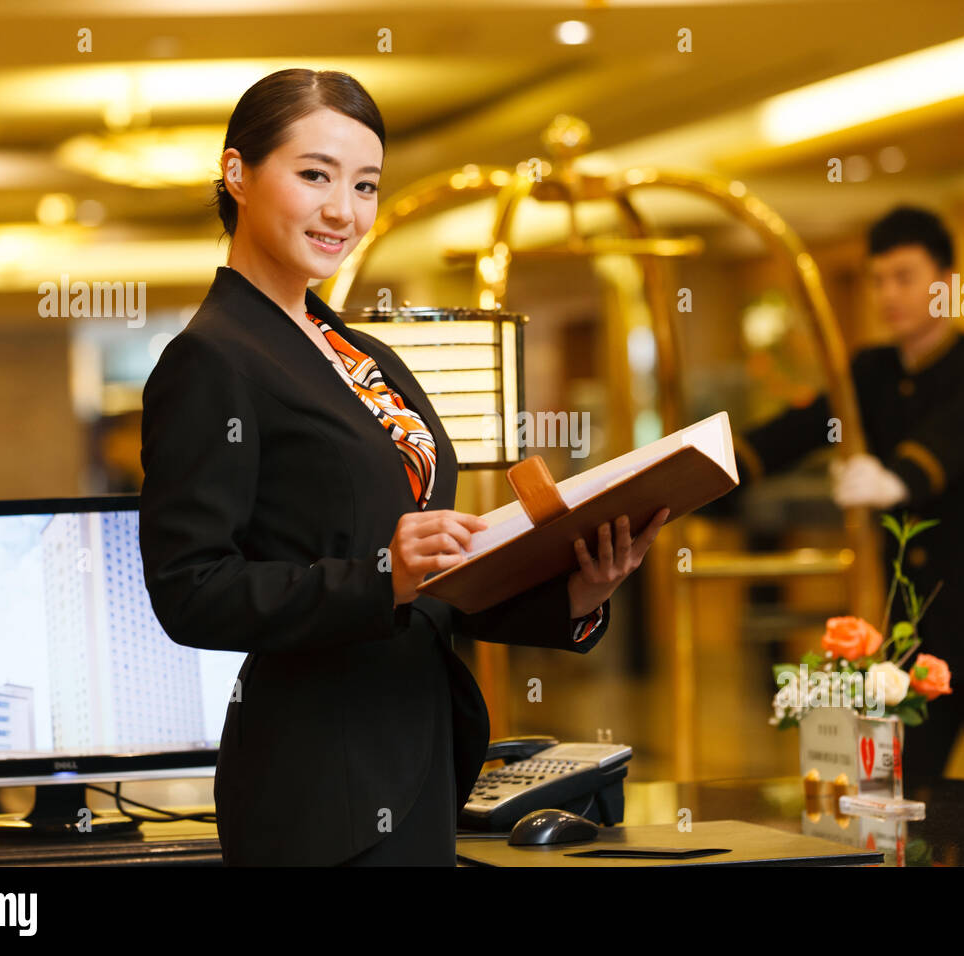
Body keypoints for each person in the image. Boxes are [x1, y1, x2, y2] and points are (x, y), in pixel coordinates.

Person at [138, 69, 667, 866]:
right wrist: (380, 575)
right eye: (313, 175)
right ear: (237, 173)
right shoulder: (210, 360)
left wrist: (575, 592)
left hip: (416, 756)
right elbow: (191, 588)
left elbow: (432, 584)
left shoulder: (363, 353)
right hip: (316, 778)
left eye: (364, 185)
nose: (342, 211)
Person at [739, 205, 964, 785]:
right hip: (914, 643)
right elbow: (794, 431)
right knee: (897, 810)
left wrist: (897, 479)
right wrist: (700, 472)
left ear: (946, 284)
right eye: (878, 278)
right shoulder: (870, 371)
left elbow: (960, 431)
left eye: (904, 277)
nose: (888, 293)